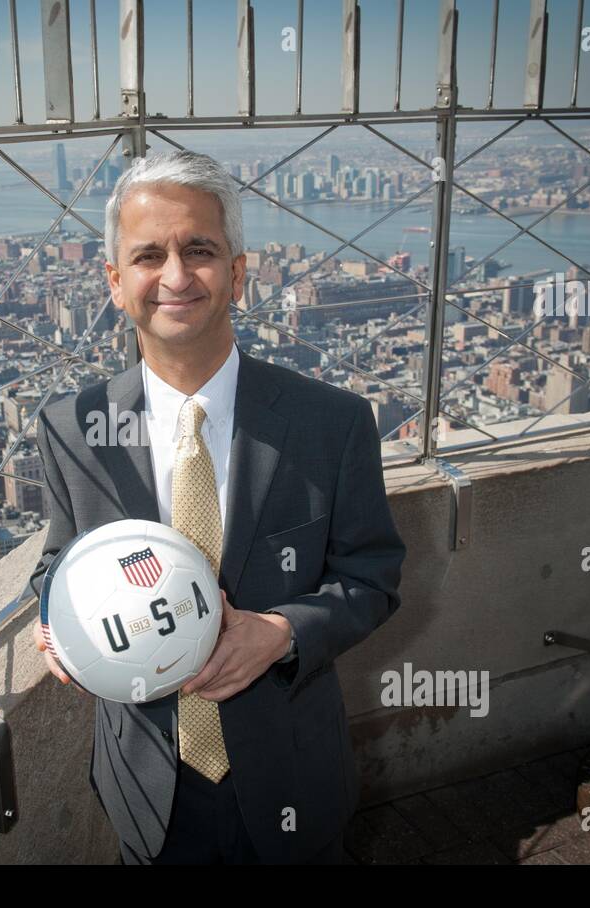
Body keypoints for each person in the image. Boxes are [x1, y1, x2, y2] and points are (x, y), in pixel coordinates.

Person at [28, 149, 405, 864]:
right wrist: (49, 619)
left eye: (198, 250)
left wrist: (281, 632)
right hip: (146, 785)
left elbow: (374, 575)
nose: (174, 276)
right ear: (115, 282)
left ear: (236, 272)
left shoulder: (333, 423)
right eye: (147, 255)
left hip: (293, 772)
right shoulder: (71, 429)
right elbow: (59, 559)